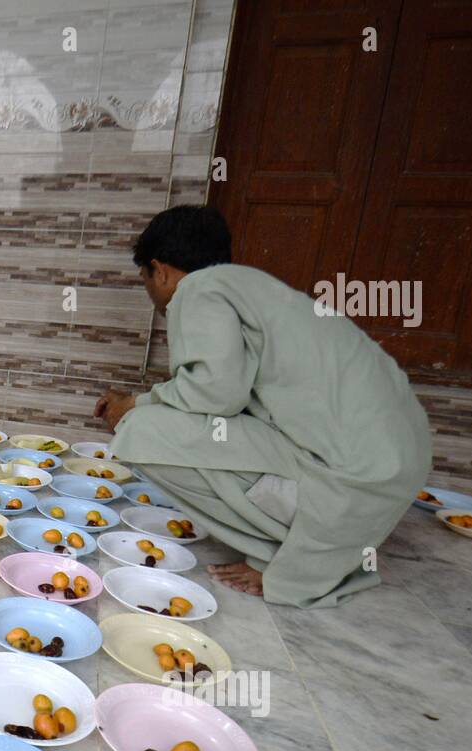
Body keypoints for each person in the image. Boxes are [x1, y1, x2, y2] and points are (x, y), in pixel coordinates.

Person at [94, 206, 431, 608]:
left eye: (145, 281)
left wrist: (133, 405)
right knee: (162, 419)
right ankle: (297, 534)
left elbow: (216, 395)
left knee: (141, 428)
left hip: (350, 483)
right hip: (386, 478)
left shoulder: (200, 289)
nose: (151, 295)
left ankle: (281, 554)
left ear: (160, 270)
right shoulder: (256, 288)